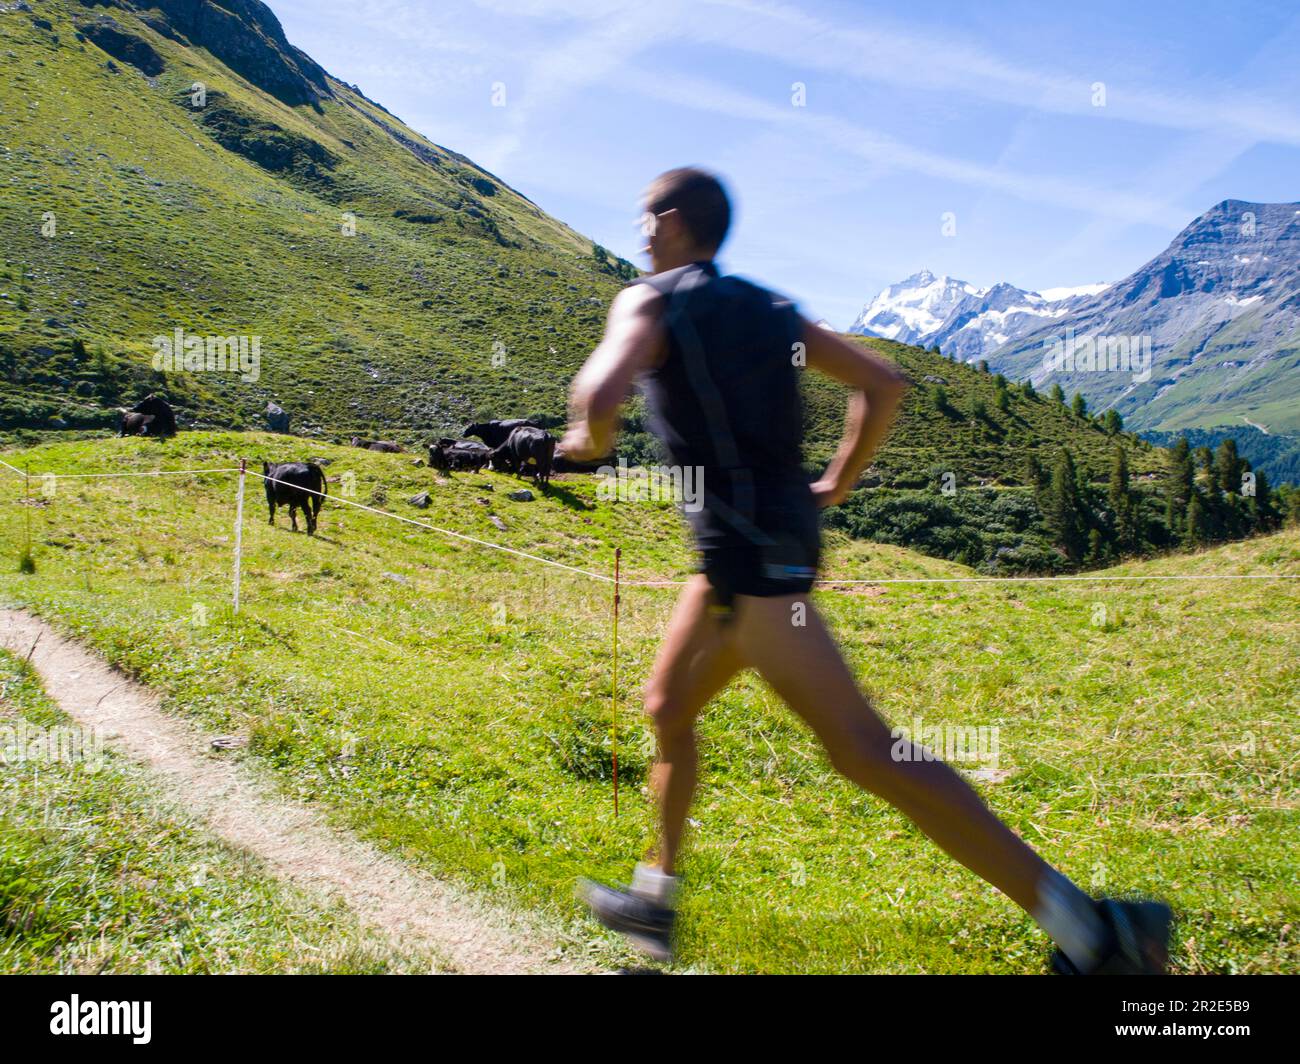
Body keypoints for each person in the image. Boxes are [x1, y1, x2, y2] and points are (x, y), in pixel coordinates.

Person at [559, 167, 1171, 973]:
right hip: (747, 555)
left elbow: (597, 402)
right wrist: (834, 485)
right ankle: (654, 897)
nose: (639, 236)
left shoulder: (651, 300)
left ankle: (1099, 933)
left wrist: (579, 445)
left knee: (864, 750)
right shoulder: (770, 308)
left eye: (644, 220)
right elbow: (881, 383)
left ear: (670, 221)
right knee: (668, 705)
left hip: (755, 567)